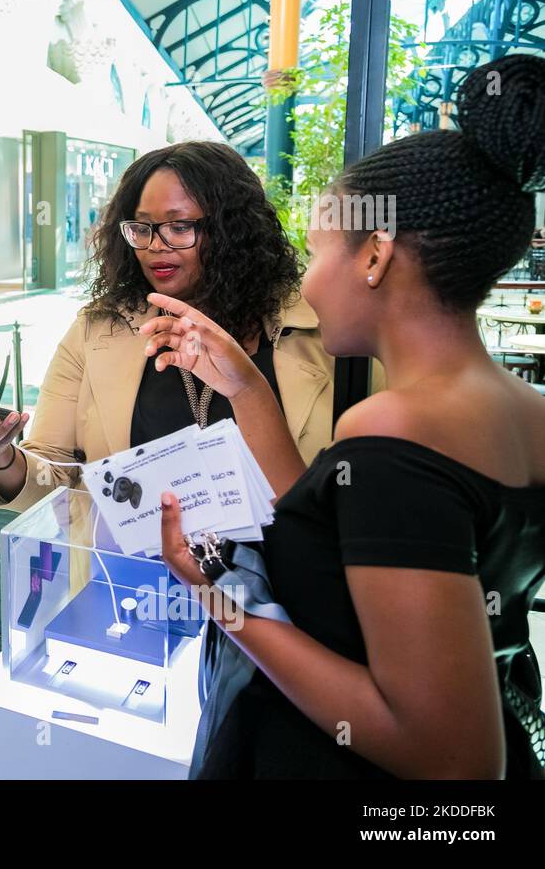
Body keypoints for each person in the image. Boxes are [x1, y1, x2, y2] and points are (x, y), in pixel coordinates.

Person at [149, 53, 545, 778]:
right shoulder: (521, 413)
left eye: (319, 247)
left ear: (375, 256)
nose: (308, 277)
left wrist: (222, 600)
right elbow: (350, 553)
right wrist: (246, 386)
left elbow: (452, 758)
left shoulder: (397, 430)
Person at [0, 141, 346, 590]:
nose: (156, 247)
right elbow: (56, 478)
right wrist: (1, 458)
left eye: (178, 227)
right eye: (142, 229)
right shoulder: (99, 330)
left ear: (234, 230)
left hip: (280, 595)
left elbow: (347, 504)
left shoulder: (325, 335)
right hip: (134, 595)